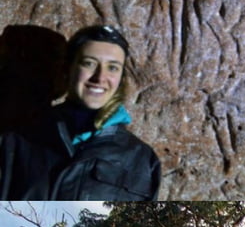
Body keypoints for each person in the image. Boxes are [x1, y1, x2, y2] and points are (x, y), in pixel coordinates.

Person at [0, 24, 161, 200]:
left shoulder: (142, 160)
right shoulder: (17, 142)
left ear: (121, 79)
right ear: (68, 69)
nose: (99, 77)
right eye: (89, 63)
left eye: (113, 67)